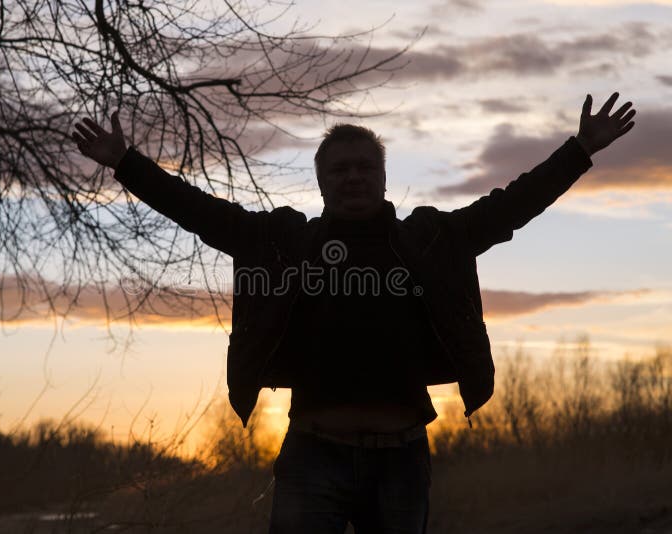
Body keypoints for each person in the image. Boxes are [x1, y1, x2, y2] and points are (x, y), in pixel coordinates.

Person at [72, 92, 636, 533]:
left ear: (383, 176)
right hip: (312, 454)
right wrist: (126, 163)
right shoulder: (284, 243)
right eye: (339, 169)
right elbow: (199, 212)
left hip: (403, 459)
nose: (353, 177)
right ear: (322, 183)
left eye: (364, 167)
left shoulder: (431, 239)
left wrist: (579, 150)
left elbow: (512, 204)